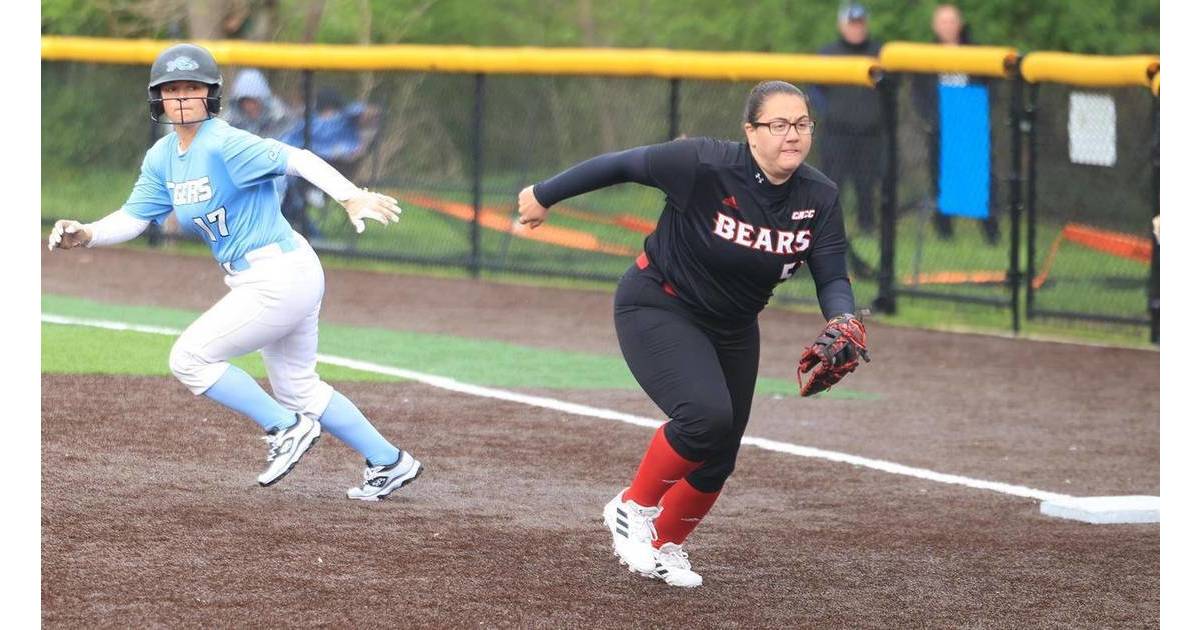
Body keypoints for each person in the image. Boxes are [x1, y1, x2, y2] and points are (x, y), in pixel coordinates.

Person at [516, 81, 870, 587]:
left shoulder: (819, 196)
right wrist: (543, 194)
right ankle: (632, 507)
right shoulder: (703, 164)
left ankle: (665, 544)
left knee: (720, 452)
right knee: (705, 416)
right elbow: (622, 163)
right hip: (659, 303)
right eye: (778, 124)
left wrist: (841, 318)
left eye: (802, 124)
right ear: (751, 132)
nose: (792, 134)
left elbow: (832, 274)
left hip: (733, 325)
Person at [47, 43, 422, 501]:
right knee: (299, 387)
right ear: (157, 98)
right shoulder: (163, 157)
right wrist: (86, 233)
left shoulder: (225, 142)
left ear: (211, 95)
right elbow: (135, 216)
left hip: (277, 273)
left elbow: (297, 158)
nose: (182, 97)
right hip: (280, 272)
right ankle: (389, 461)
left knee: (190, 358)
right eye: (172, 89)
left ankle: (286, 427)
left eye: (192, 87)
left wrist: (348, 196)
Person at [911, 4, 1001, 244]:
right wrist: (929, 119)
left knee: (982, 178)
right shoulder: (926, 55)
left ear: (960, 24)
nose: (948, 26)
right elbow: (918, 92)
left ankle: (991, 234)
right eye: (943, 21)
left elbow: (992, 86)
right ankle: (944, 233)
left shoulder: (977, 53)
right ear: (935, 25)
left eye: (952, 21)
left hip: (971, 126)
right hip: (941, 126)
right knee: (940, 177)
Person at [814, 2, 884, 234]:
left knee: (867, 185)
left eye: (860, 23)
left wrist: (878, 112)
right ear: (842, 25)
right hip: (836, 131)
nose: (856, 28)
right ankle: (828, 230)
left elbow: (891, 88)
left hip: (869, 132)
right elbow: (814, 88)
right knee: (831, 184)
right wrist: (830, 111)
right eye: (852, 24)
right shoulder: (828, 53)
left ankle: (867, 228)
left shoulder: (879, 53)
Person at [279, 87, 378, 236]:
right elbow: (288, 142)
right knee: (288, 187)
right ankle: (305, 219)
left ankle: (312, 210)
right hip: (306, 171)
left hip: (340, 167)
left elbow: (369, 112)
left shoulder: (346, 118)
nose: (329, 116)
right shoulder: (310, 121)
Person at [224, 68, 296, 140]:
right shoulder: (229, 123)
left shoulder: (281, 119)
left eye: (254, 102)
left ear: (264, 101)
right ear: (238, 105)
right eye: (246, 102)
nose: (251, 107)